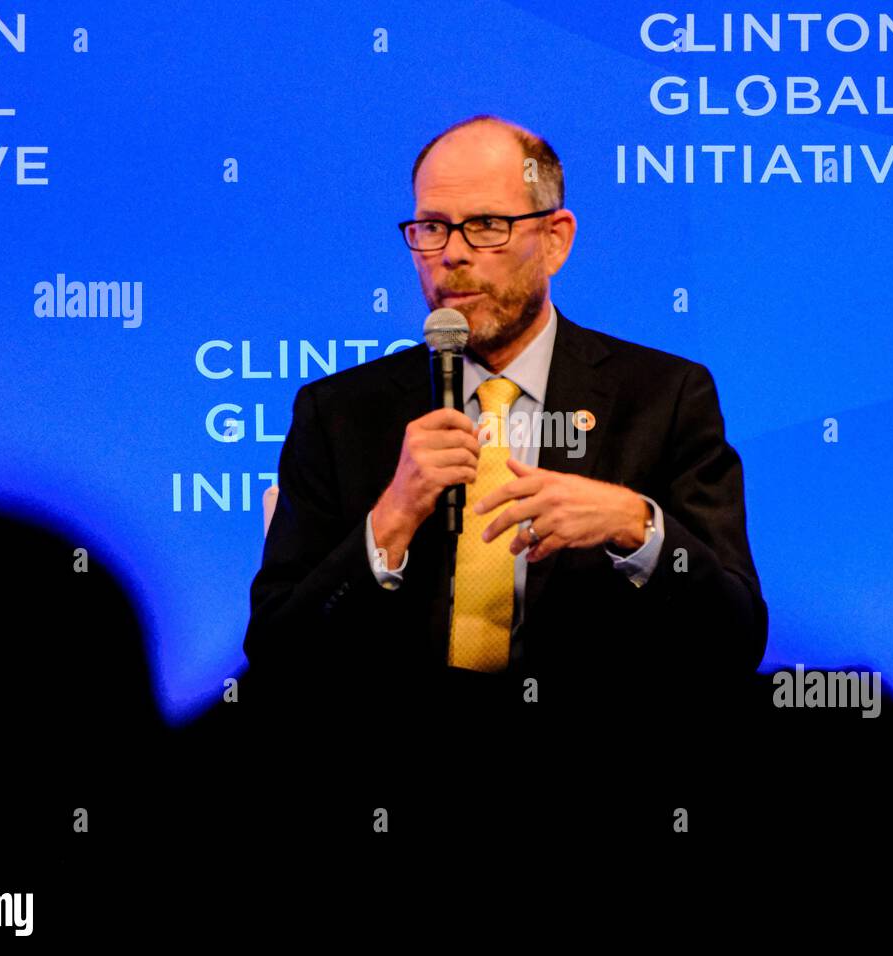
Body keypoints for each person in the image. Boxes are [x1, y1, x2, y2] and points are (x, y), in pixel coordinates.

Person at [243, 115, 768, 836]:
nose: (451, 257)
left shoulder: (663, 398)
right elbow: (278, 658)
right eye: (431, 228)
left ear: (555, 240)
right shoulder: (342, 414)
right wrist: (390, 521)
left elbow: (735, 637)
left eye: (485, 226)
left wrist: (637, 528)